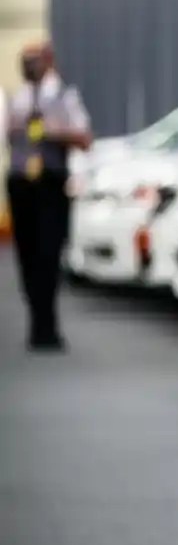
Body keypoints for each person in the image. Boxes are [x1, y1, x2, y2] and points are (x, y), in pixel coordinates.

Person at [2, 41, 92, 350]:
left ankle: (48, 324)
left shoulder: (65, 97)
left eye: (34, 60)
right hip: (21, 183)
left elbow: (84, 137)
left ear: (48, 61)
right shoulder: (14, 99)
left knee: (49, 253)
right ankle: (37, 324)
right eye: (24, 60)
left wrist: (52, 131)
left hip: (50, 183)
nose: (29, 66)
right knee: (27, 255)